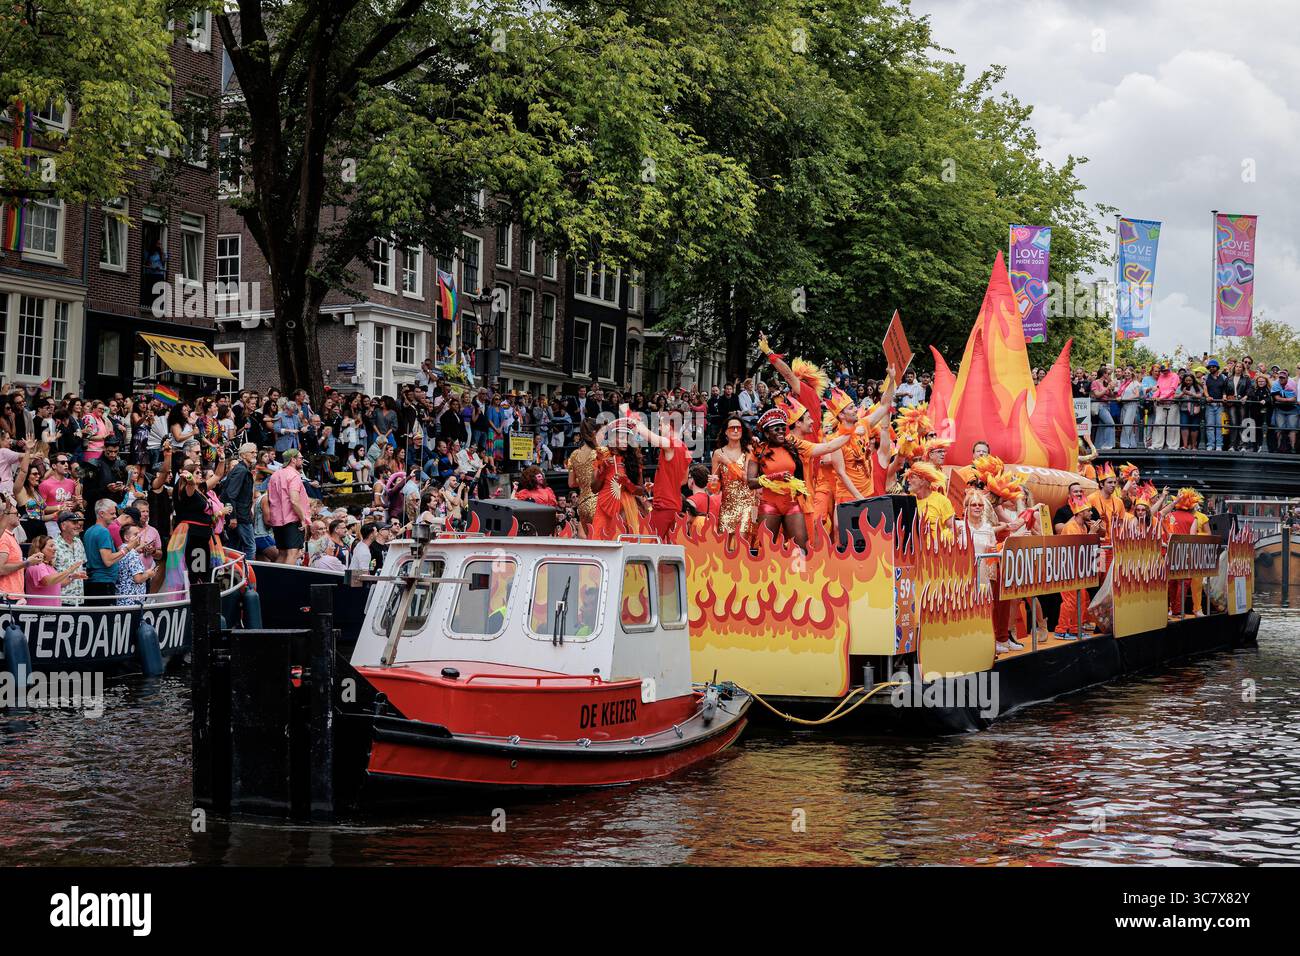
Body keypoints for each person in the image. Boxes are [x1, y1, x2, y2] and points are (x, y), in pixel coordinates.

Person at [267, 448, 311, 565]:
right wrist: (302, 519)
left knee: (282, 553)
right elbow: (294, 500)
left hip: (277, 520)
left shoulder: (275, 475)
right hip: (292, 519)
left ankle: (275, 582)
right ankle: (285, 582)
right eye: (301, 458)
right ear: (293, 460)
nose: (302, 460)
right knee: (293, 553)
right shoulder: (294, 476)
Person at [84, 499, 132, 600]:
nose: (115, 516)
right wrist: (128, 547)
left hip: (94, 581)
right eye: (112, 513)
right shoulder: (103, 532)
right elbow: (108, 560)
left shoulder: (89, 531)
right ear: (101, 513)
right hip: (103, 583)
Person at [23, 533, 86, 606]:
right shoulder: (37, 565)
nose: (55, 549)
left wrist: (71, 577)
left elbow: (57, 583)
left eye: (54, 546)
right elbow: (47, 581)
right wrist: (69, 570)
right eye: (51, 546)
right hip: (41, 611)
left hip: (51, 611)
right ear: (40, 549)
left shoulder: (49, 566)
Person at [221, 442, 258, 561]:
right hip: (240, 517)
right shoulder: (241, 471)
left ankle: (234, 574)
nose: (255, 454)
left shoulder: (242, 470)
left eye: (256, 452)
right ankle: (248, 575)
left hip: (240, 515)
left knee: (234, 548)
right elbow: (230, 495)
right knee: (250, 547)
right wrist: (233, 517)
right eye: (252, 452)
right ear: (243, 455)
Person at [0, 497, 39, 603]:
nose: (20, 516)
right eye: (16, 513)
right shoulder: (3, 537)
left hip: (13, 596)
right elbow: (1, 569)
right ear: (4, 516)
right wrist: (27, 563)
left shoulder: (9, 536)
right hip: (6, 596)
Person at [114, 524, 158, 605]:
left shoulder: (121, 550)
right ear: (126, 537)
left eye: (139, 534)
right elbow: (138, 578)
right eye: (135, 534)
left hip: (122, 598)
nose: (139, 537)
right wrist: (149, 574)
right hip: (132, 602)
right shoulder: (132, 553)